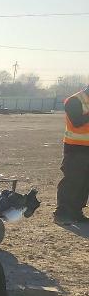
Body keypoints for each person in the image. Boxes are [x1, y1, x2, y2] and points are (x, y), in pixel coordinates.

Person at [55, 84, 89, 223]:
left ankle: (76, 212)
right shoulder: (74, 100)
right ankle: (62, 213)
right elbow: (77, 121)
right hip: (76, 148)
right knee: (73, 181)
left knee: (85, 183)